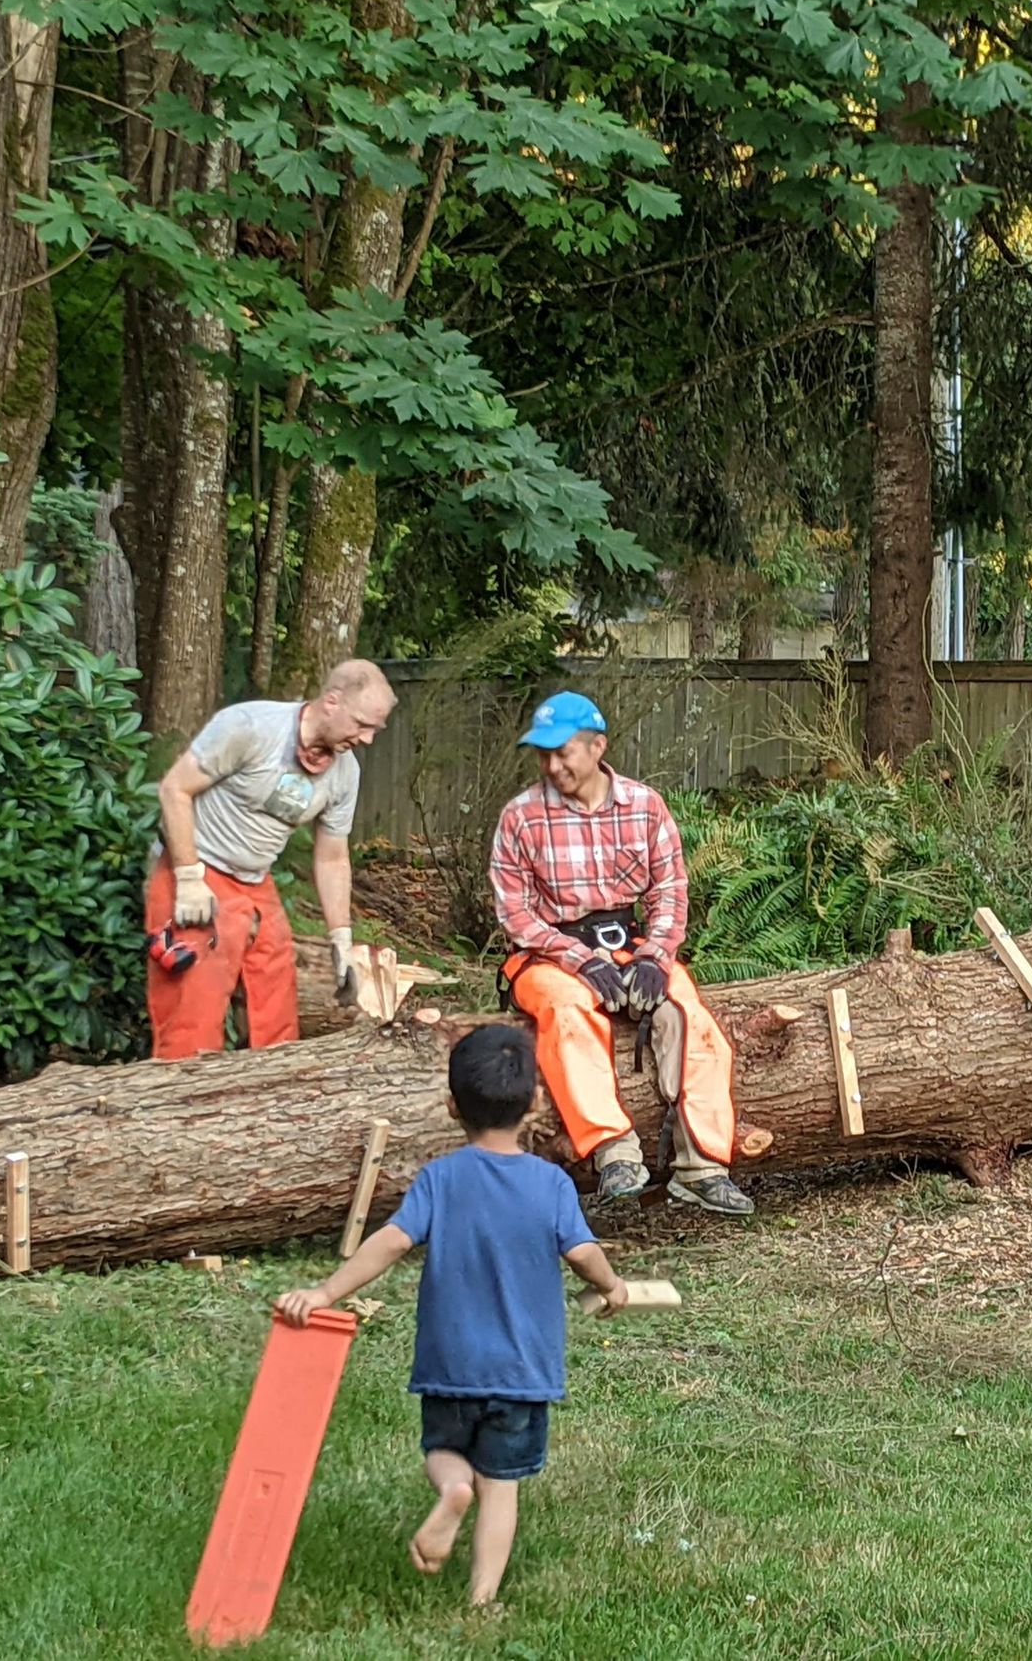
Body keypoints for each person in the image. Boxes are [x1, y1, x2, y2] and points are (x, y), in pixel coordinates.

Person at [277, 1021, 625, 1608]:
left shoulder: (440, 1179)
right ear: (536, 1104)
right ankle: (481, 1598)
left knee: (443, 1451)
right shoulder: (551, 1184)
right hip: (520, 1372)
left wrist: (325, 1292)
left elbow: (390, 1241)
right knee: (504, 1486)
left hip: (450, 1360)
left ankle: (452, 1487)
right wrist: (612, 1285)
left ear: (449, 1106)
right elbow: (583, 1253)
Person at [488, 691, 753, 1216]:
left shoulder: (644, 805)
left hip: (628, 943)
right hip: (548, 954)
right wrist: (576, 957)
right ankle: (615, 1155)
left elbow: (670, 890)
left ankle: (701, 1167)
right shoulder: (520, 817)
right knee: (565, 1015)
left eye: (562, 751)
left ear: (597, 747)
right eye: (543, 754)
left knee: (691, 1018)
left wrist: (656, 955)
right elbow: (514, 913)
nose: (552, 764)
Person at [145, 659, 397, 1059]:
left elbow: (332, 857)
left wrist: (341, 938)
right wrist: (189, 878)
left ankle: (272, 1101)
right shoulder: (250, 727)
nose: (366, 739)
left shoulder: (344, 773)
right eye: (362, 724)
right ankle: (181, 1105)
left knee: (276, 996)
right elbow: (174, 790)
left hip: (255, 881)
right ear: (332, 702)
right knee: (192, 1012)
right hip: (197, 866)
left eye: (374, 730)